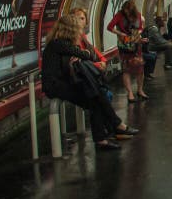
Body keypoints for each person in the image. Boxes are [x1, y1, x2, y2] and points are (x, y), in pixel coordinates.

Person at [42, 15, 138, 151]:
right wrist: (82, 52)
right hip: (55, 86)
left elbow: (89, 55)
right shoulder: (58, 44)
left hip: (63, 83)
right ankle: (115, 127)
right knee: (96, 96)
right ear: (71, 30)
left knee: (95, 98)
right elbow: (87, 55)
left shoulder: (59, 44)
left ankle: (105, 136)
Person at [106, 0, 148, 103]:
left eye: (128, 10)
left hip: (136, 44)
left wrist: (138, 34)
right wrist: (120, 33)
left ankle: (140, 90)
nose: (127, 12)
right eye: (125, 10)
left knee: (140, 68)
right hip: (124, 45)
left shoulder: (138, 15)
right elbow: (109, 27)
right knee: (126, 69)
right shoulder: (119, 15)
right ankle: (129, 92)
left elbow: (141, 28)